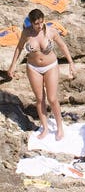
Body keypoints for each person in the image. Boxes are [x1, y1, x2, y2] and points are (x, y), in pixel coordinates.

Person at [7, 8, 76, 141]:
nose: (39, 26)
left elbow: (63, 46)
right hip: (33, 67)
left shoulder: (51, 32)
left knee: (52, 98)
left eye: (41, 22)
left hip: (50, 66)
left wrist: (71, 63)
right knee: (39, 99)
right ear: (31, 23)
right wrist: (12, 65)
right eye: (36, 23)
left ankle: (59, 127)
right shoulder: (26, 33)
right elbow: (19, 48)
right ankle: (45, 127)